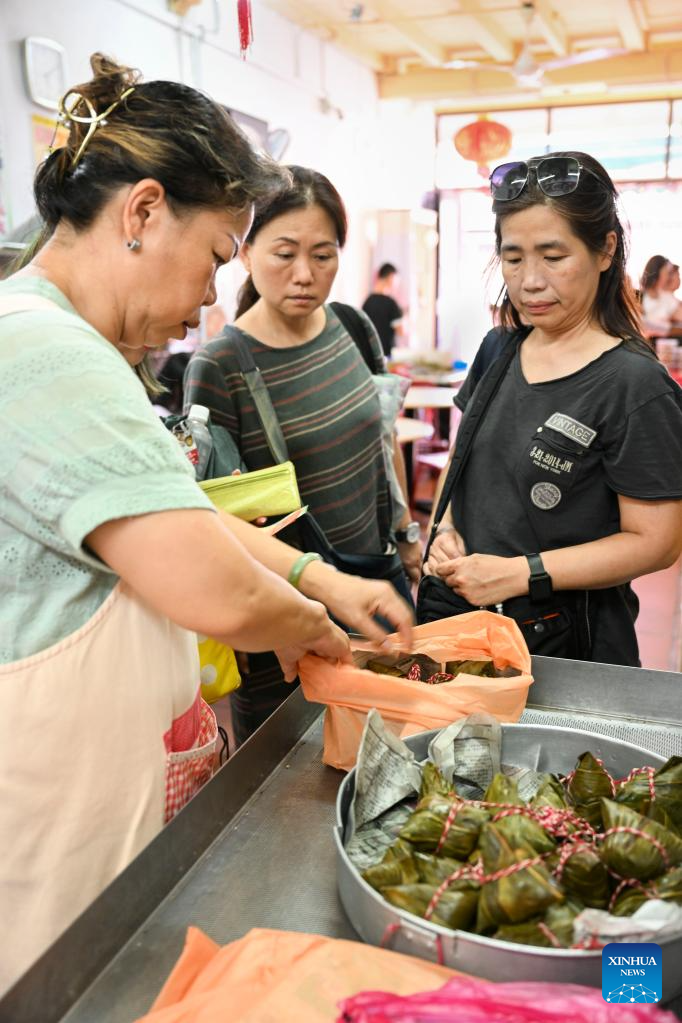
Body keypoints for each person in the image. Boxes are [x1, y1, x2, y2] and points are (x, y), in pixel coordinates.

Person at [0, 55, 413, 993]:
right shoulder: (44, 348)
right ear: (143, 212)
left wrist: (320, 579)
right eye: (222, 259)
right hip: (51, 814)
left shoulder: (75, 344)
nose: (209, 304)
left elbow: (178, 515)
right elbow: (210, 584)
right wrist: (328, 636)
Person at [185, 167, 422, 743]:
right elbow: (214, 520)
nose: (305, 275)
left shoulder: (353, 326)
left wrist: (408, 536)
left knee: (402, 750)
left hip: (379, 580)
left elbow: (382, 438)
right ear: (244, 251)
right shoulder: (219, 366)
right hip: (287, 623)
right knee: (295, 782)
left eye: (323, 255)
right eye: (284, 253)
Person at [419, 151, 682, 667]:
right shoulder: (499, 349)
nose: (530, 281)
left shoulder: (633, 383)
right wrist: (444, 526)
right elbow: (462, 455)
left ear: (606, 250)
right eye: (513, 258)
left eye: (553, 256)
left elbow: (657, 543)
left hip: (568, 643)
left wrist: (523, 572)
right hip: (465, 622)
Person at [362, 261, 405, 357]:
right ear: (391, 277)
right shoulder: (391, 303)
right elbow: (401, 331)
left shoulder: (367, 302)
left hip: (370, 355)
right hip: (386, 354)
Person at [640, 254, 682, 338]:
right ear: (657, 272)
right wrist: (669, 329)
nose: (669, 277)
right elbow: (642, 325)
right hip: (643, 344)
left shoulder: (667, 298)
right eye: (667, 273)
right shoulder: (638, 296)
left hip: (663, 344)